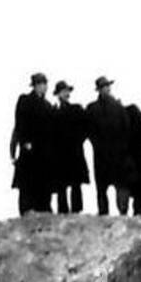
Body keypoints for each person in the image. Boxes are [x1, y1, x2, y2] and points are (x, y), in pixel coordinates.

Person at [9, 73, 56, 215]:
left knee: (43, 183)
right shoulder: (25, 101)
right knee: (27, 184)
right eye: (41, 84)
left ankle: (43, 208)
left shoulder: (47, 105)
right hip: (29, 150)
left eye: (45, 84)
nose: (44, 87)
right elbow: (20, 123)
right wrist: (24, 142)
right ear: (35, 86)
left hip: (44, 151)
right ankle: (27, 210)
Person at [84, 76, 132, 215]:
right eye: (103, 87)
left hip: (117, 152)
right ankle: (103, 212)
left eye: (107, 86)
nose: (106, 89)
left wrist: (123, 146)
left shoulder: (118, 107)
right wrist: (96, 144)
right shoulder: (92, 108)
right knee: (101, 187)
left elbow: (126, 127)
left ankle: (123, 211)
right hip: (101, 153)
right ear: (99, 90)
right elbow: (89, 130)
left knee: (120, 185)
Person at [51, 80, 89, 214]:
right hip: (60, 154)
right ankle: (63, 211)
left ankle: (76, 210)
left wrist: (78, 140)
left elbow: (86, 127)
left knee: (75, 183)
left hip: (74, 151)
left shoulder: (76, 109)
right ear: (58, 94)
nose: (65, 94)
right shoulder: (53, 112)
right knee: (61, 185)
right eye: (63, 92)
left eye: (67, 91)